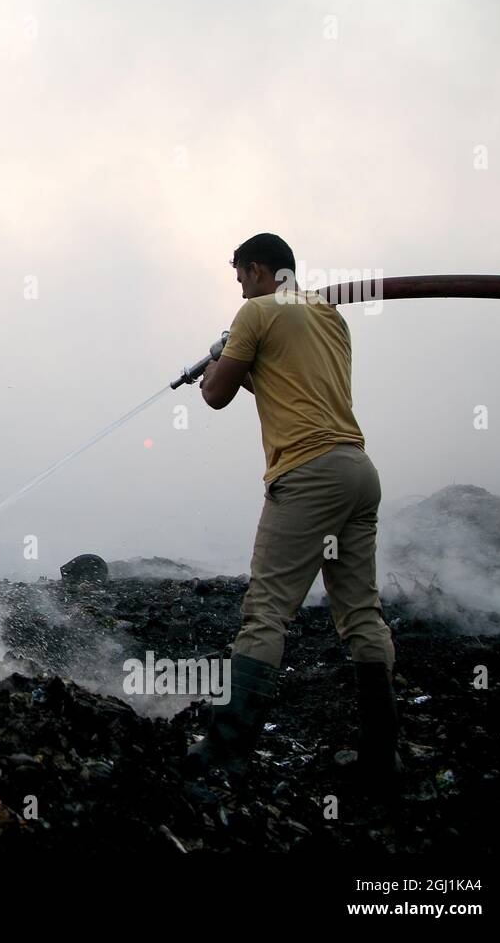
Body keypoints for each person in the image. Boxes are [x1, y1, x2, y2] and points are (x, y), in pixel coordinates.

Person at [185, 232, 401, 792]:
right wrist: (239, 353)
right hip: (356, 469)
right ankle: (383, 755)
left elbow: (215, 395)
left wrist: (218, 359)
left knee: (267, 614)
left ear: (257, 271)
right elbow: (290, 380)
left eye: (240, 277)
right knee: (361, 614)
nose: (240, 286)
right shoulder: (330, 318)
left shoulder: (256, 312)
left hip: (305, 473)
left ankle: (226, 751)